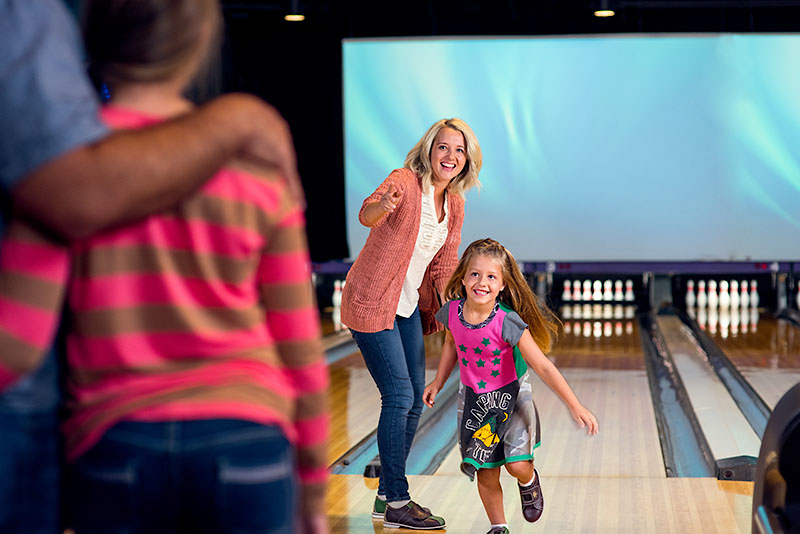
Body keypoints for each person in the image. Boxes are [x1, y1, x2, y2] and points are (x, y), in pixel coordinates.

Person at [0, 1, 301, 532]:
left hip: (116, 441)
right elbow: (299, 349)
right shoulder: (256, 167)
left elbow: (19, 343)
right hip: (246, 435)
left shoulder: (61, 174)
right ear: (203, 40)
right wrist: (314, 484)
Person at [341, 118, 482, 529]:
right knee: (399, 396)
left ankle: (387, 496)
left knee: (414, 401)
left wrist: (459, 313)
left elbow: (444, 264)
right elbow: (367, 213)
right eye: (443, 147)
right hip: (371, 302)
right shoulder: (403, 181)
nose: (450, 156)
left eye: (459, 150)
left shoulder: (455, 204)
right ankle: (399, 501)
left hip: (406, 308)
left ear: (466, 160)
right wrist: (383, 206)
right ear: (429, 150)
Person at [423, 238, 599, 534]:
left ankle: (528, 480)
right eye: (475, 274)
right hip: (475, 403)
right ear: (463, 277)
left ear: (503, 285)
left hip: (513, 398)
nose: (482, 282)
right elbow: (451, 344)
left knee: (516, 465)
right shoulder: (452, 312)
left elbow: (543, 366)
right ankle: (499, 526)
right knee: (486, 472)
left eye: (491, 277)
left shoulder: (508, 321)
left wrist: (575, 404)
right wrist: (438, 382)